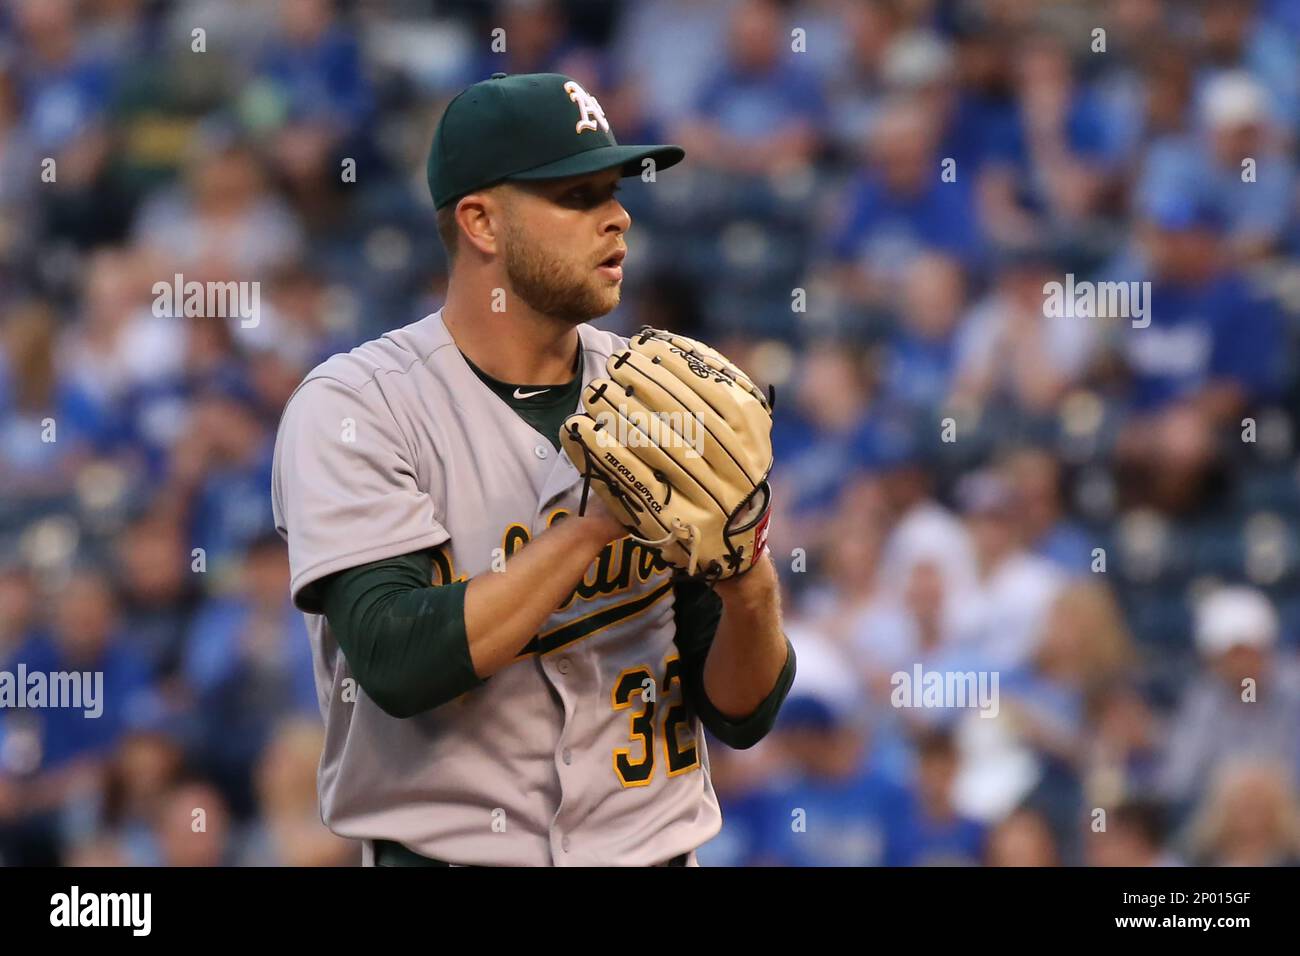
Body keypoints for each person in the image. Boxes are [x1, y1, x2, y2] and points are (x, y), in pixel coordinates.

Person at [270, 72, 795, 867]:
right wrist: (594, 531)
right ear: (480, 221)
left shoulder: (655, 396)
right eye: (578, 196)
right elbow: (400, 662)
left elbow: (739, 713)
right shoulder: (359, 407)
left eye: (614, 192)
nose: (617, 217)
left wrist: (748, 576)